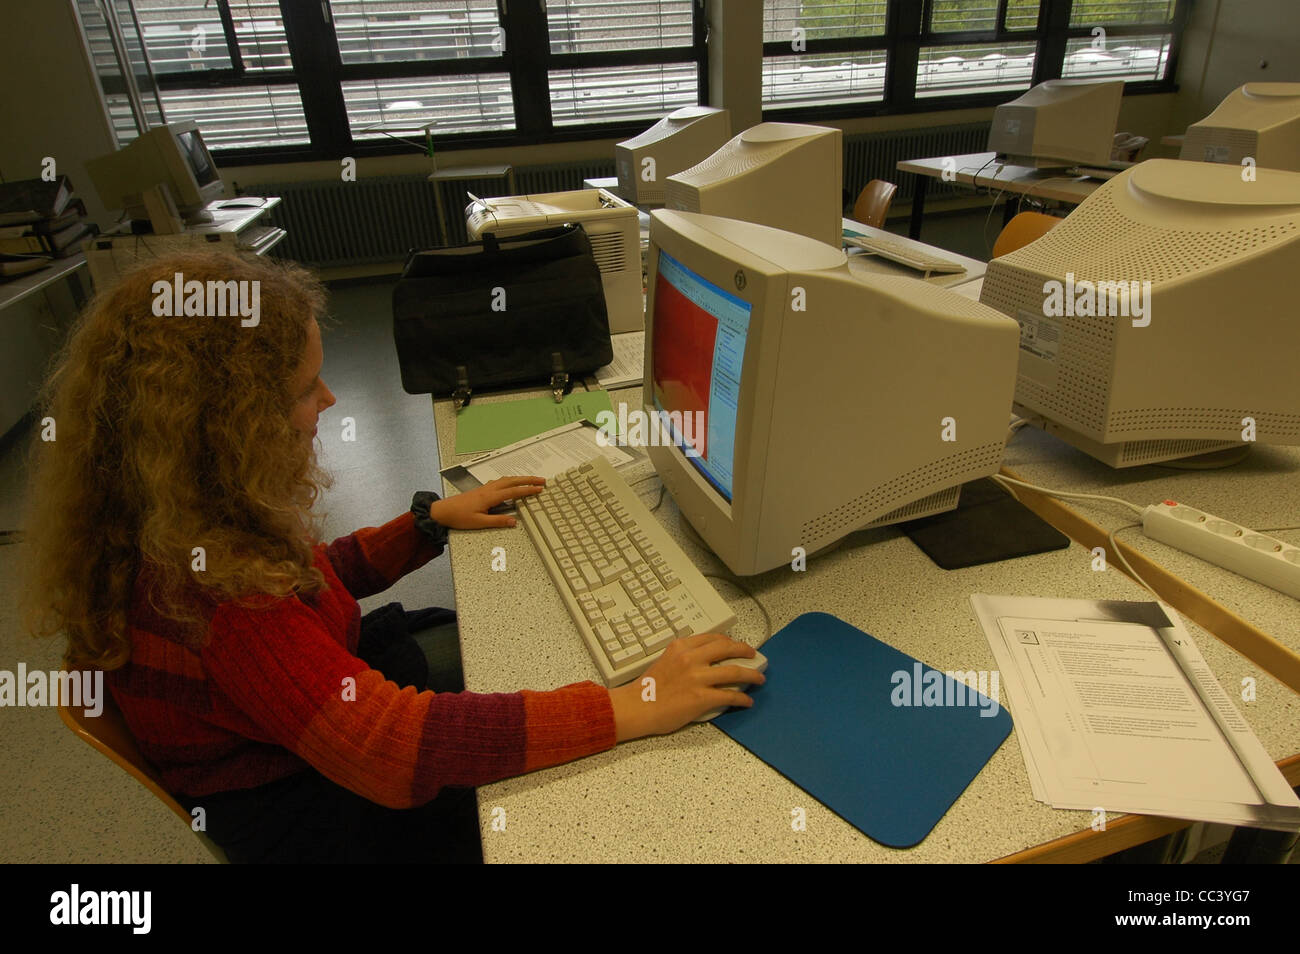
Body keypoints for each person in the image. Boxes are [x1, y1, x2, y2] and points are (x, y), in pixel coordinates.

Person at [22, 250, 763, 863]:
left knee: (501, 647)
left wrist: (427, 524)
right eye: (307, 388)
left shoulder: (170, 519)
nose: (333, 400)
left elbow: (313, 576)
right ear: (231, 429)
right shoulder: (219, 601)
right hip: (310, 810)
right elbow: (395, 749)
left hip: (302, 739)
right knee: (597, 785)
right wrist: (635, 705)